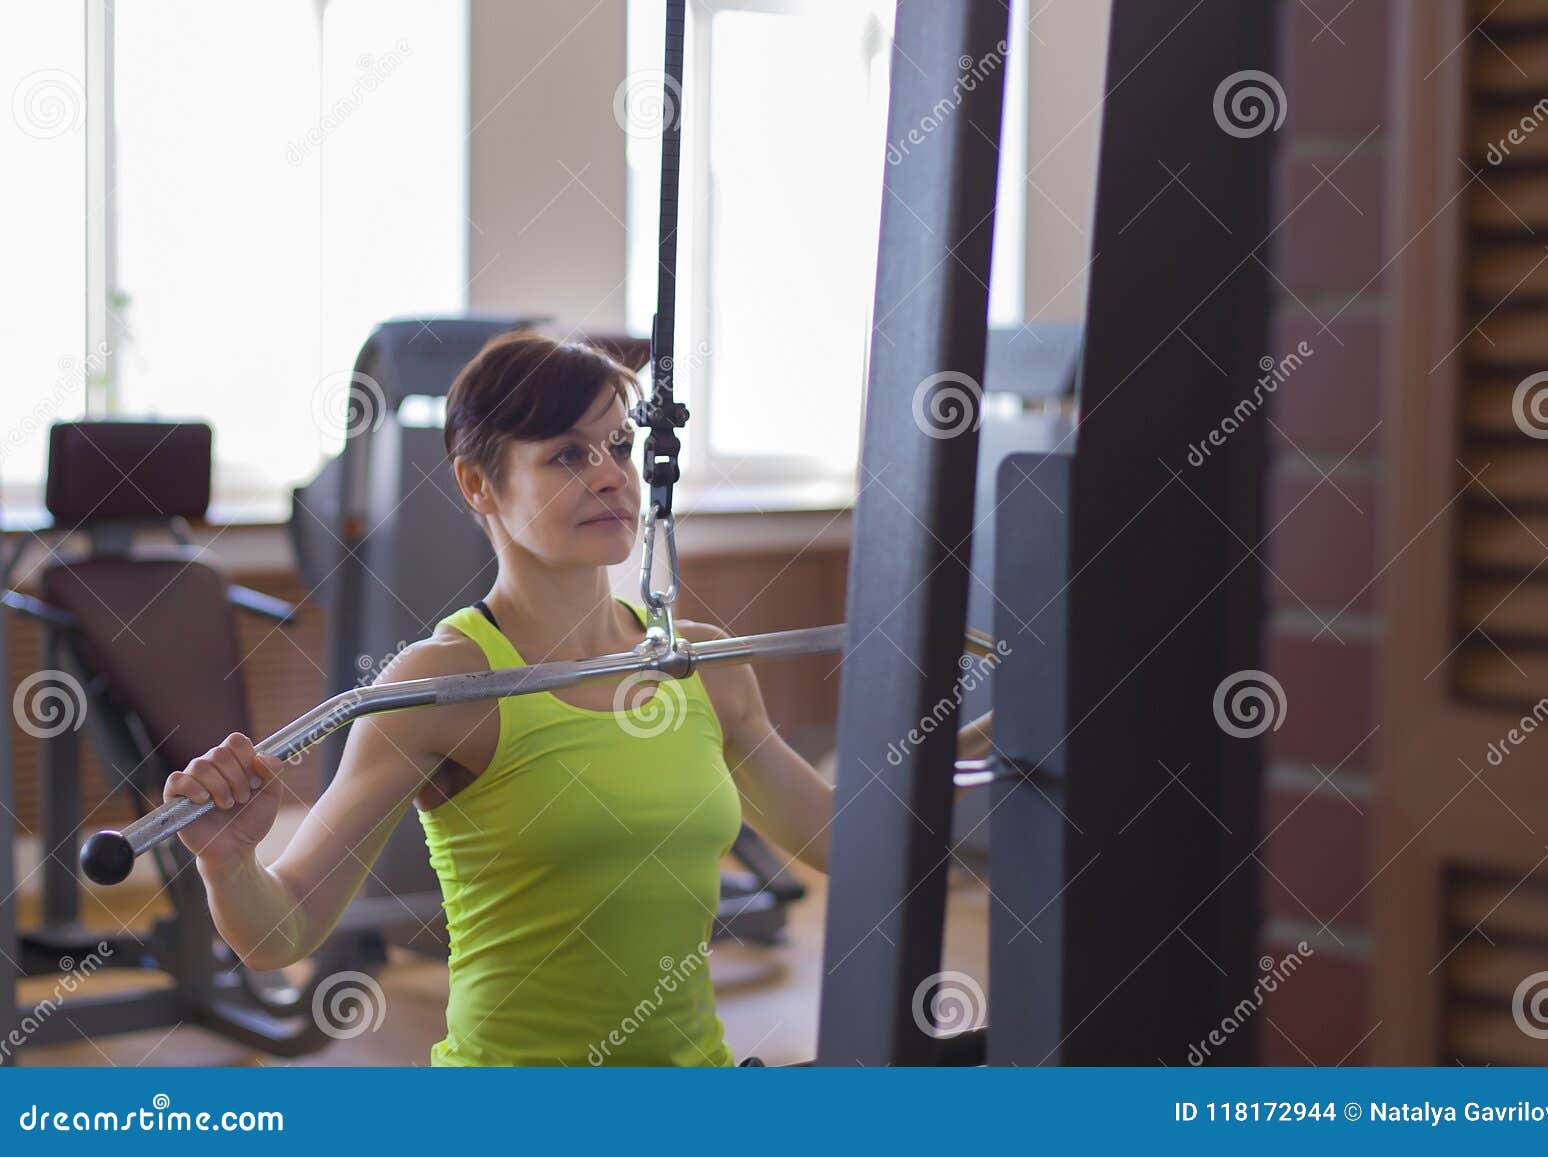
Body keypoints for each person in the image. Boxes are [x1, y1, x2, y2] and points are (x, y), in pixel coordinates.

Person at [165, 329, 994, 1066]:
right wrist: (228, 857)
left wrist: (943, 761)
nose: (610, 478)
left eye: (619, 448)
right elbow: (282, 933)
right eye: (567, 454)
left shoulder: (700, 662)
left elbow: (843, 845)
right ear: (479, 485)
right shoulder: (436, 685)